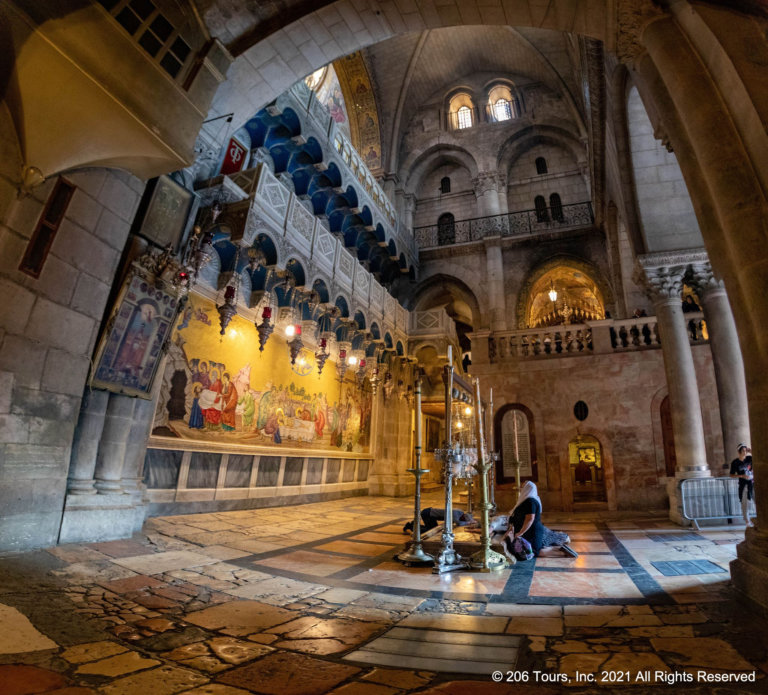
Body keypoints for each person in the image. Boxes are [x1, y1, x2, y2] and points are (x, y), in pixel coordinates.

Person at [502, 481, 577, 558]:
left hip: (532, 532)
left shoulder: (530, 501)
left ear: (528, 488)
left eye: (523, 487)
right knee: (532, 549)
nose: (521, 489)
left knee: (536, 551)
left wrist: (520, 532)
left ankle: (560, 549)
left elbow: (530, 519)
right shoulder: (525, 501)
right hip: (528, 531)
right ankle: (560, 548)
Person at [730, 443, 754, 527]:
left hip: (752, 483)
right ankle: (747, 520)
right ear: (739, 452)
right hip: (743, 484)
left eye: (745, 451)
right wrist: (741, 475)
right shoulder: (735, 462)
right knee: (745, 502)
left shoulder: (749, 458)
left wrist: (750, 451)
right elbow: (732, 475)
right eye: (743, 451)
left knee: (754, 501)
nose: (745, 452)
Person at [403, 507, 476, 534]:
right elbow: (459, 523)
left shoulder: (460, 512)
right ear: (463, 517)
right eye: (464, 520)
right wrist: (469, 522)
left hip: (430, 514)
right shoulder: (456, 514)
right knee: (430, 530)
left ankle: (412, 525)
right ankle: (411, 527)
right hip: (428, 513)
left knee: (433, 529)